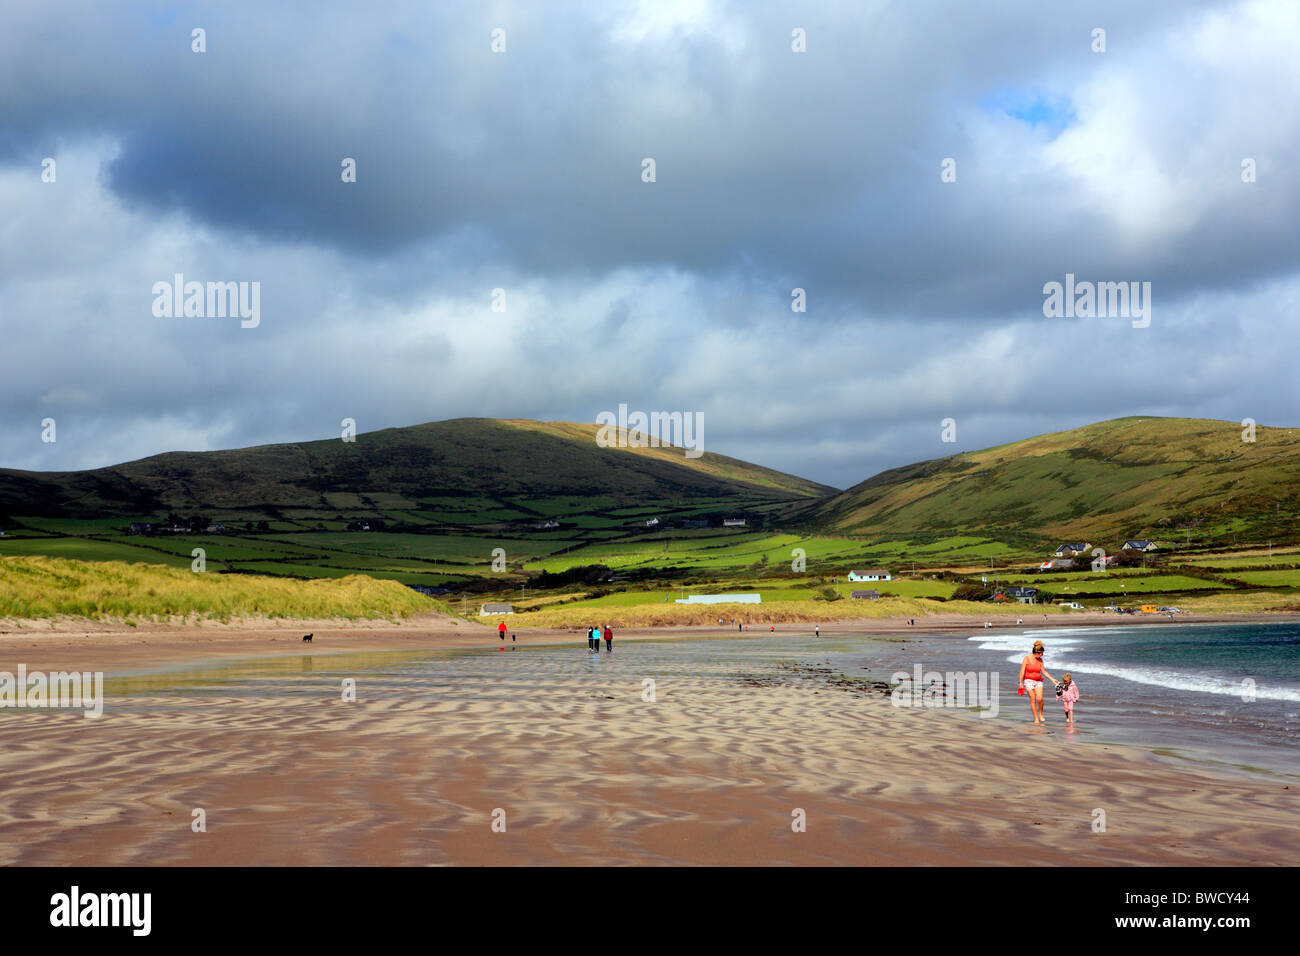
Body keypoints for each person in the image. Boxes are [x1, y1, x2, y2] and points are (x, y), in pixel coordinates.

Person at [1018, 640, 1060, 726]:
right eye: (1042, 653)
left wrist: (1052, 679)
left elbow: (1044, 672)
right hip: (1028, 681)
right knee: (1033, 699)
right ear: (1037, 652)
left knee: (1040, 699)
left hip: (1038, 681)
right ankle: (1036, 718)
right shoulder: (1027, 658)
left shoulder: (1040, 660)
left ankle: (1040, 714)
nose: (1042, 655)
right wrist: (1020, 683)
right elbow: (1022, 672)